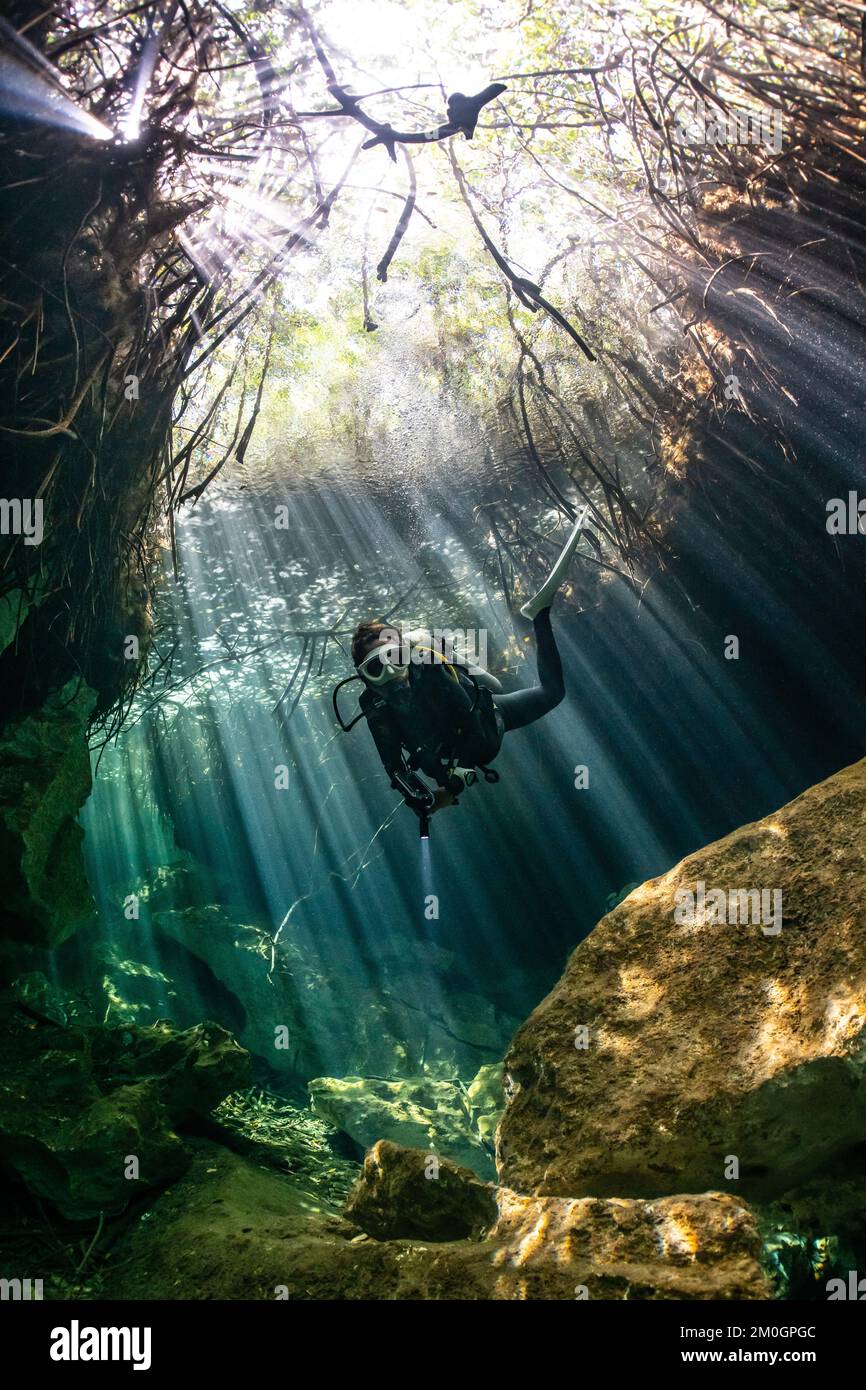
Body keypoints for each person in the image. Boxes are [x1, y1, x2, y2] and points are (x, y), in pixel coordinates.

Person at [350, 508, 587, 825]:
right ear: (364, 679)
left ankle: (539, 614)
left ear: (406, 652)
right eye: (376, 669)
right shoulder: (374, 704)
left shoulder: (426, 664)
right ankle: (536, 614)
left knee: (551, 692)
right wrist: (419, 799)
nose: (391, 674)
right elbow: (394, 767)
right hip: (457, 745)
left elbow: (474, 726)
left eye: (394, 659)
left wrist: (455, 781)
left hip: (488, 715)